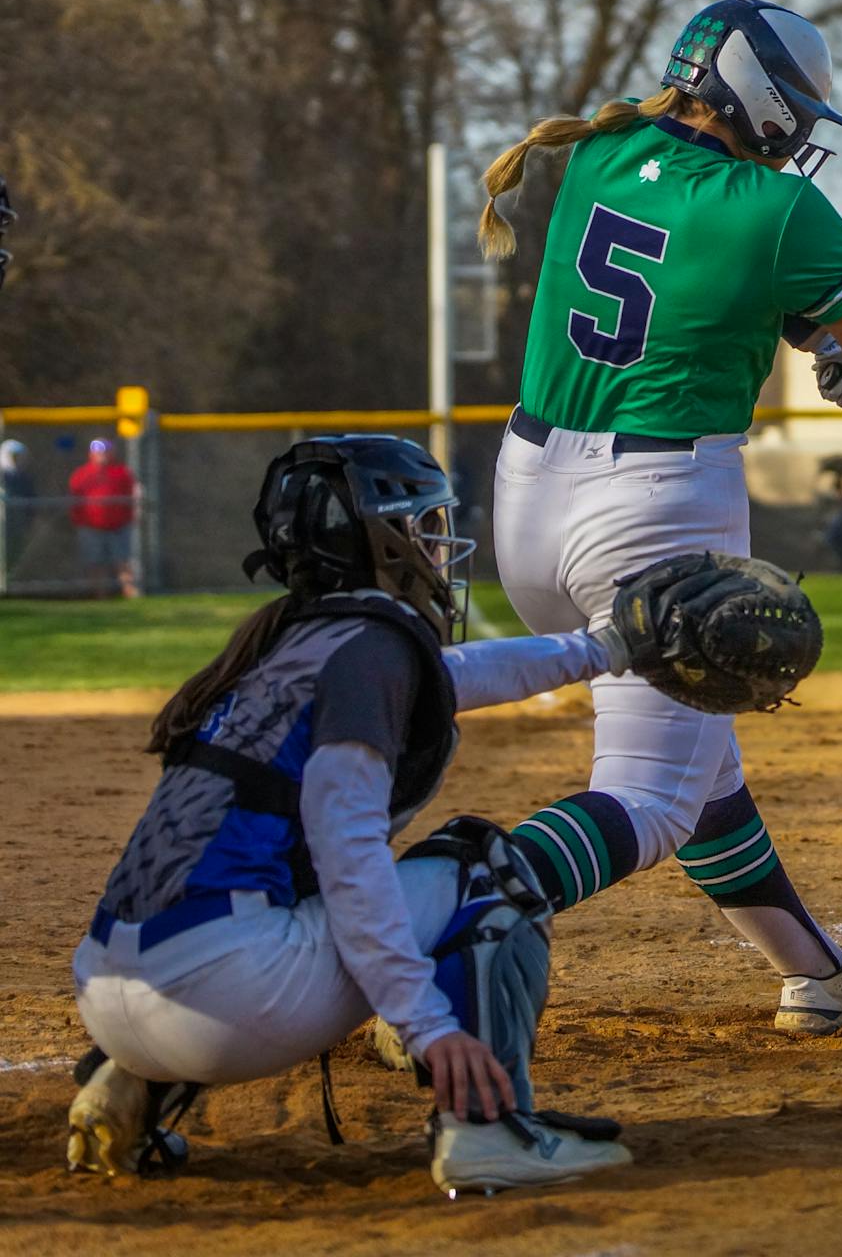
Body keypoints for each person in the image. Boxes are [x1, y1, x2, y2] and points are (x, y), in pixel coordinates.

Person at [474, 0, 842, 1036]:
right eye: (799, 109)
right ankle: (449, 921)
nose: (803, 131)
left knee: (703, 757)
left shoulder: (597, 153)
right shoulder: (780, 211)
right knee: (651, 796)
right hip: (654, 511)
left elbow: (688, 272)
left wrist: (807, 334)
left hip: (526, 498)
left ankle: (821, 977)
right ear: (760, 97)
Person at [66, 437, 636, 1194]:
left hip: (113, 994)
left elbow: (456, 675)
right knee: (483, 864)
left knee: (268, 873)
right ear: (381, 541)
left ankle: (130, 1082)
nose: (437, 549)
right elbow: (348, 849)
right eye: (423, 528)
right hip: (224, 999)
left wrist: (609, 647)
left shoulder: (287, 642)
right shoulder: (369, 649)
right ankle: (487, 1129)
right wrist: (424, 1022)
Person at [68, 438, 138, 598]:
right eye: (98, 451)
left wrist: (130, 517)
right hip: (91, 526)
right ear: (91, 453)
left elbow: (132, 495)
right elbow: (75, 499)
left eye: (106, 450)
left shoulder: (121, 472)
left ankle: (129, 592)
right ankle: (100, 595)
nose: (102, 454)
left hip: (118, 525)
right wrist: (79, 521)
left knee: (123, 561)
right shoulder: (81, 474)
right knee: (95, 563)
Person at [2, 437, 33, 581]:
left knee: (13, 553)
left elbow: (30, 499)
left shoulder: (23, 477)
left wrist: (28, 519)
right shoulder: (3, 477)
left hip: (16, 524)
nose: (18, 460)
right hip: (4, 523)